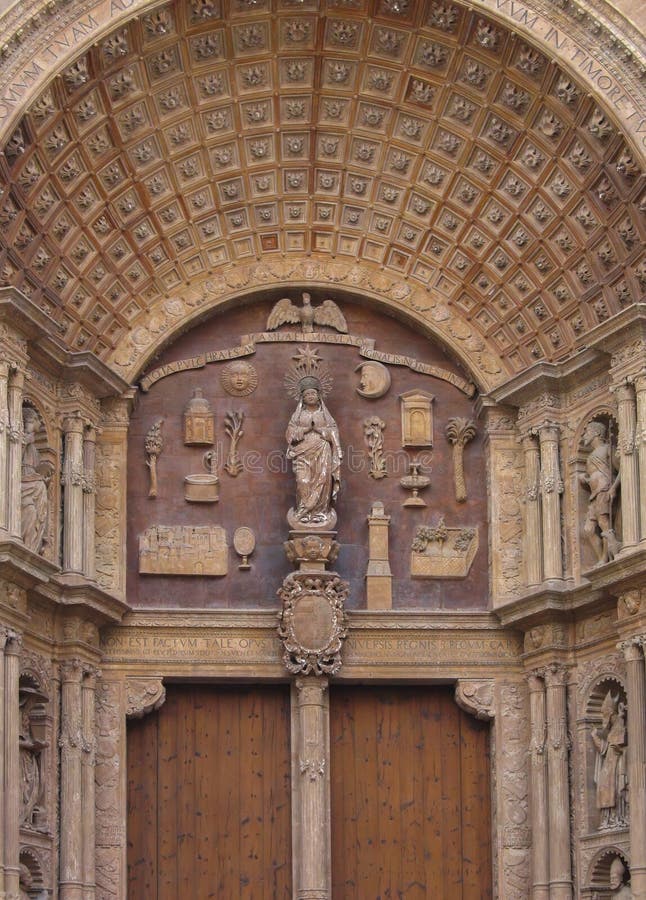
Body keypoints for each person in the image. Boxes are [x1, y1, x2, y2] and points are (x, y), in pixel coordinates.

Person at [286, 377, 342, 527]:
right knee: (302, 481)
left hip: (322, 451)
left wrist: (319, 430)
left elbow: (334, 432)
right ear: (302, 398)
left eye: (313, 393)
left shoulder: (324, 415)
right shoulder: (298, 415)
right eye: (307, 394)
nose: (310, 396)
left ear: (318, 396)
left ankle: (319, 513)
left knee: (322, 481)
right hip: (302, 452)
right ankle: (304, 512)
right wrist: (305, 430)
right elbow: (290, 433)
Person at [579, 420, 620, 565]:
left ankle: (605, 557)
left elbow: (621, 469)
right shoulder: (590, 456)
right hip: (593, 495)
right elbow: (594, 475)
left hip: (604, 490)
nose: (584, 435)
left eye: (587, 432)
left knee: (604, 524)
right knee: (588, 529)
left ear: (596, 433)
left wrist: (613, 488)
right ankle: (601, 556)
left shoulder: (608, 449)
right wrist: (585, 479)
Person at [591, 691, 628, 830]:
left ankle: (617, 817)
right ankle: (608, 819)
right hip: (609, 766)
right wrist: (595, 736)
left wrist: (619, 750)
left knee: (615, 790)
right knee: (604, 787)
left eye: (604, 714)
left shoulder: (619, 725)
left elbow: (619, 746)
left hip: (616, 766)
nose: (603, 717)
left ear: (610, 713)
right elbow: (606, 749)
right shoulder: (614, 728)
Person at [20, 407, 50, 554]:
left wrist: (44, 476)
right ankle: (26, 545)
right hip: (23, 483)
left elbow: (35, 468)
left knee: (36, 511)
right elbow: (12, 458)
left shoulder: (35, 450)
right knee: (30, 510)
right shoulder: (22, 439)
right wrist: (25, 440)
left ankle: (32, 545)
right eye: (36, 420)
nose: (39, 423)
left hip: (34, 484)